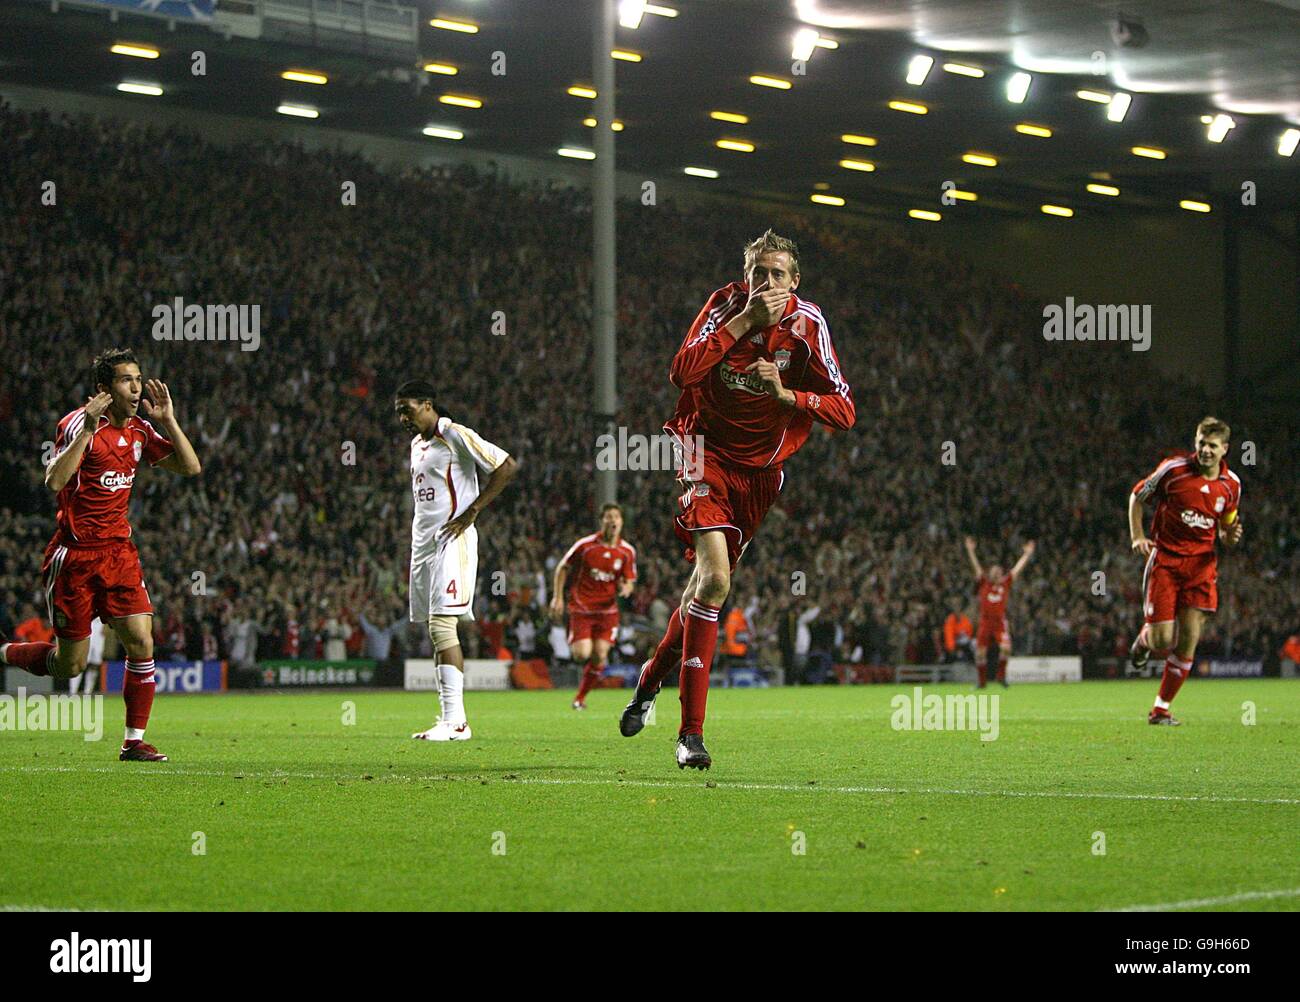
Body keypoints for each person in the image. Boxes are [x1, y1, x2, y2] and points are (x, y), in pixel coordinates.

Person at [619, 229, 855, 769]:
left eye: (776, 274)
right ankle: (690, 735)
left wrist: (788, 395)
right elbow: (681, 371)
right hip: (703, 453)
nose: (765, 283)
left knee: (701, 591)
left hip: (762, 474)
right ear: (745, 275)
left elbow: (844, 410)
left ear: (795, 282)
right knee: (718, 581)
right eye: (757, 272)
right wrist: (743, 322)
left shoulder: (808, 325)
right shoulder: (724, 307)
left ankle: (650, 679)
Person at [0, 348, 201, 761]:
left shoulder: (142, 432)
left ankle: (133, 741)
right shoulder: (77, 423)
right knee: (69, 665)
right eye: (127, 379)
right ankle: (3, 651)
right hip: (74, 558)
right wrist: (88, 430)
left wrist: (169, 421)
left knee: (142, 641)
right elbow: (54, 480)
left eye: (139, 378)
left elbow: (191, 467)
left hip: (119, 554)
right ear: (103, 390)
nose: (137, 386)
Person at [395, 380, 517, 742]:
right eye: (399, 411)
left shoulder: (453, 433)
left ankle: (458, 722)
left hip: (453, 540)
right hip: (424, 547)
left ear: (428, 404)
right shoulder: (417, 445)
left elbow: (506, 465)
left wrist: (473, 511)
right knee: (435, 631)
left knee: (442, 627)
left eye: (408, 408)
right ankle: (448, 719)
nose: (403, 417)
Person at [1128, 416, 1243, 725]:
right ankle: (1143, 640)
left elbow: (1226, 526)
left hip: (1200, 568)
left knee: (1189, 637)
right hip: (1166, 562)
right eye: (1201, 443)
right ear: (1196, 442)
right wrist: (1138, 535)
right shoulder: (1173, 471)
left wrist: (1228, 536)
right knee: (1161, 641)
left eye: (1212, 446)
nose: (1205, 450)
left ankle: (1160, 709)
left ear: (1224, 449)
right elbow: (1137, 497)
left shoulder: (1231, 485)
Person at [549, 503, 637, 710]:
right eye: (608, 516)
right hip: (582, 608)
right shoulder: (585, 545)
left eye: (616, 516)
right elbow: (563, 567)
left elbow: (629, 579)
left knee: (600, 655)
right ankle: (574, 636)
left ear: (621, 522)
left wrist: (626, 588)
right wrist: (558, 597)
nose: (613, 520)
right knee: (581, 654)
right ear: (602, 521)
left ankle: (580, 698)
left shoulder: (627, 551)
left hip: (607, 612)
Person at [963, 537, 1035, 688]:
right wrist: (970, 550)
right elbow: (976, 566)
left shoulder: (1005, 583)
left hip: (999, 622)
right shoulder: (984, 583)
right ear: (990, 573)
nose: (996, 573)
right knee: (980, 653)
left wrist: (1027, 555)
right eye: (994, 571)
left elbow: (1017, 569)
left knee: (1006, 648)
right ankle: (982, 683)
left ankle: (1000, 677)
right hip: (985, 622)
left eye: (999, 571)